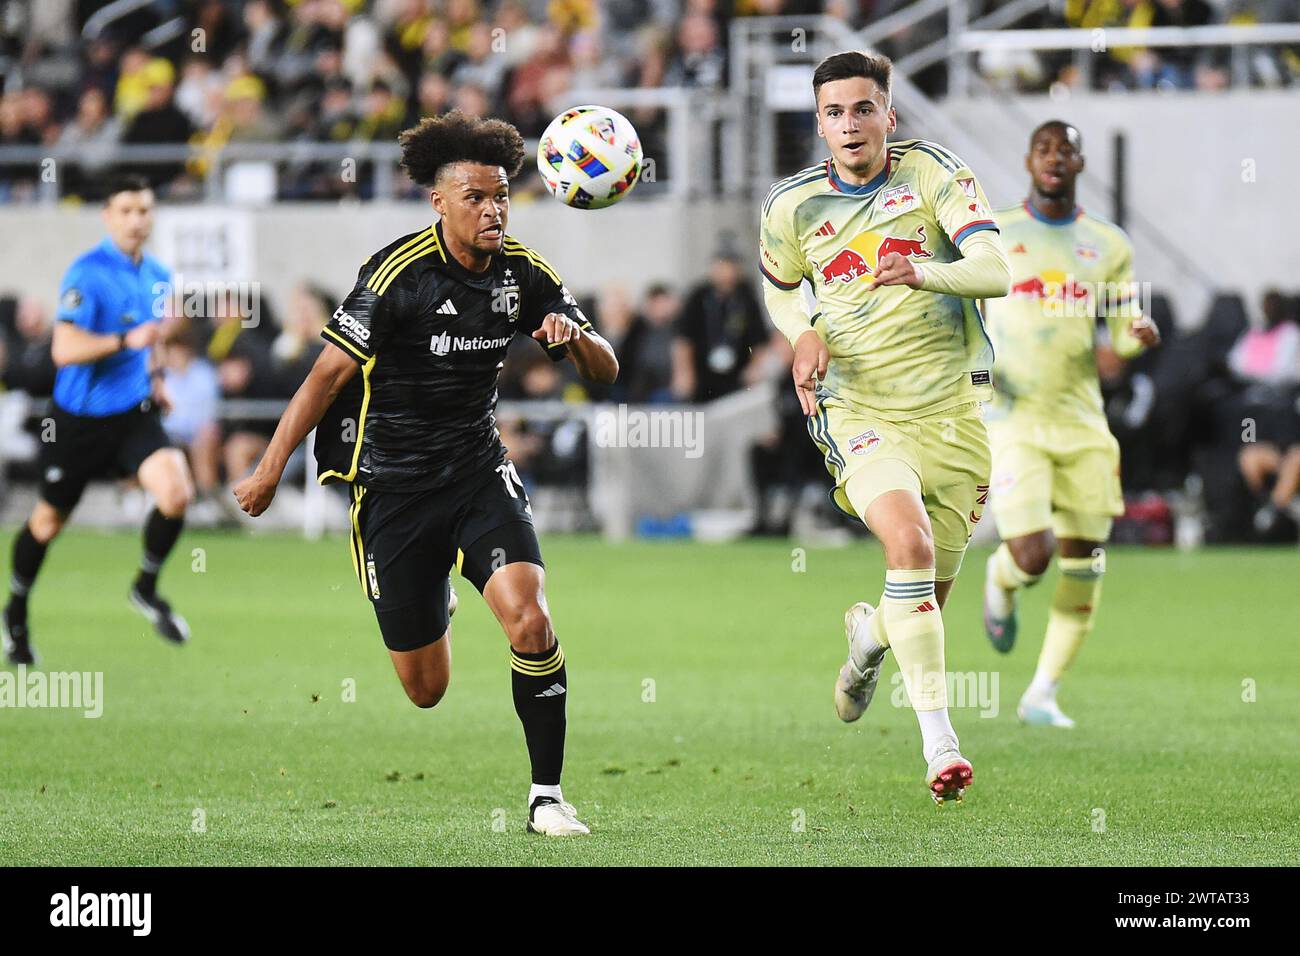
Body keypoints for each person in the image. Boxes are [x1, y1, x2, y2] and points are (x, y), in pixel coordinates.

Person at [233, 112, 618, 837]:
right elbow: (322, 379)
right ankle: (436, 596)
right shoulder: (396, 276)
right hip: (393, 487)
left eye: (502, 194)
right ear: (439, 203)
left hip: (477, 472)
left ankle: (546, 797)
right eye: (475, 197)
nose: (493, 209)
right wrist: (267, 468)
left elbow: (608, 368)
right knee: (425, 690)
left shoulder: (525, 276)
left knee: (530, 618)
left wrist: (575, 340)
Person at [760, 51, 1010, 803]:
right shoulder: (791, 206)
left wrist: (924, 270)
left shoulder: (935, 175)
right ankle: (942, 747)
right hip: (859, 407)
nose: (850, 124)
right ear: (819, 123)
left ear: (889, 116)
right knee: (908, 543)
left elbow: (996, 270)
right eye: (834, 112)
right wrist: (802, 331)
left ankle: (866, 640)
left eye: (863, 109)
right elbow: (780, 293)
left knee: (922, 598)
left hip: (953, 413)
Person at [980, 121, 1160, 727]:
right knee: (1032, 554)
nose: (1055, 159)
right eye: (1044, 149)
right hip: (1015, 419)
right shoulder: (997, 233)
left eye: (1066, 150)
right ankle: (1001, 583)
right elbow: (962, 310)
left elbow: (1120, 334)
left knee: (1085, 558)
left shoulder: (1107, 244)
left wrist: (1137, 338)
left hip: (1082, 421)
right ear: (1029, 161)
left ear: (1080, 163)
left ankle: (1042, 694)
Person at [2, 175, 195, 665]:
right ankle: (17, 614)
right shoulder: (86, 273)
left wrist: (155, 381)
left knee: (176, 494)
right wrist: (121, 343)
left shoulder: (158, 273)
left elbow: (150, 341)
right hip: (78, 421)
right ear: (108, 216)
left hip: (133, 413)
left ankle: (146, 588)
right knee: (47, 523)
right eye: (127, 210)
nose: (137, 220)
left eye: (145, 210)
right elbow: (64, 349)